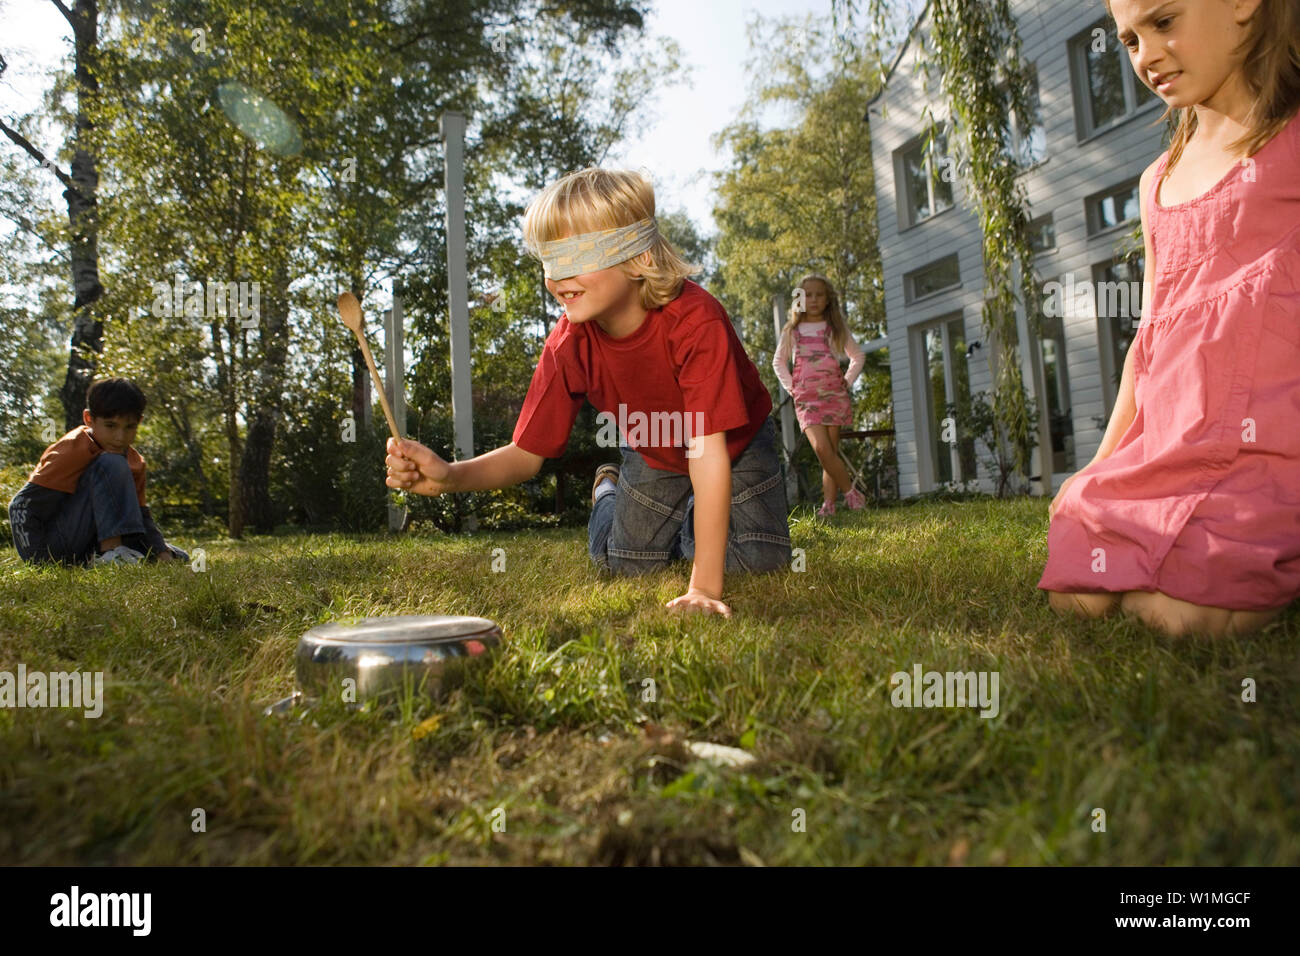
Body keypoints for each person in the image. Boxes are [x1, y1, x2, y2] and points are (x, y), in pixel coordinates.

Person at [385, 168, 791, 618]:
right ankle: (608, 495)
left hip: (733, 445)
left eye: (575, 254)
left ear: (638, 257)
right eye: (548, 258)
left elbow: (707, 451)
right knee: (628, 567)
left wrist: (703, 587)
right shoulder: (567, 344)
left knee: (758, 565)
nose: (557, 276)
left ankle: (696, 525)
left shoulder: (697, 321)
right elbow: (527, 454)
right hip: (653, 448)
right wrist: (449, 476)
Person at [1040, 0, 1300, 636]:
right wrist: (1096, 466)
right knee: (1078, 596)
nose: (1144, 55)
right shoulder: (1158, 180)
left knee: (1177, 615)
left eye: (1163, 23)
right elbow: (1148, 337)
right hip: (1172, 441)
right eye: (1128, 40)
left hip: (1268, 443)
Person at [9, 378, 189, 566]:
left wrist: (161, 552)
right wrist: (39, 560)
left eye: (129, 427)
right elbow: (20, 506)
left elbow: (141, 515)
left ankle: (111, 555)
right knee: (111, 462)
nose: (120, 437)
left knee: (178, 556)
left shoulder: (134, 461)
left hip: (90, 544)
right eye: (110, 426)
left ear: (139, 422)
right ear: (89, 419)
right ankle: (112, 552)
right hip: (60, 545)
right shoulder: (72, 450)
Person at [772, 274, 867, 516]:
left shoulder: (834, 328)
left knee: (830, 455)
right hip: (807, 399)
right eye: (808, 295)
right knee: (822, 449)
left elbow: (858, 356)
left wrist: (847, 380)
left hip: (833, 396)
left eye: (819, 294)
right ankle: (852, 494)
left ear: (827, 299)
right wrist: (792, 388)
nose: (813, 299)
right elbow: (778, 362)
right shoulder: (792, 330)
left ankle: (829, 505)